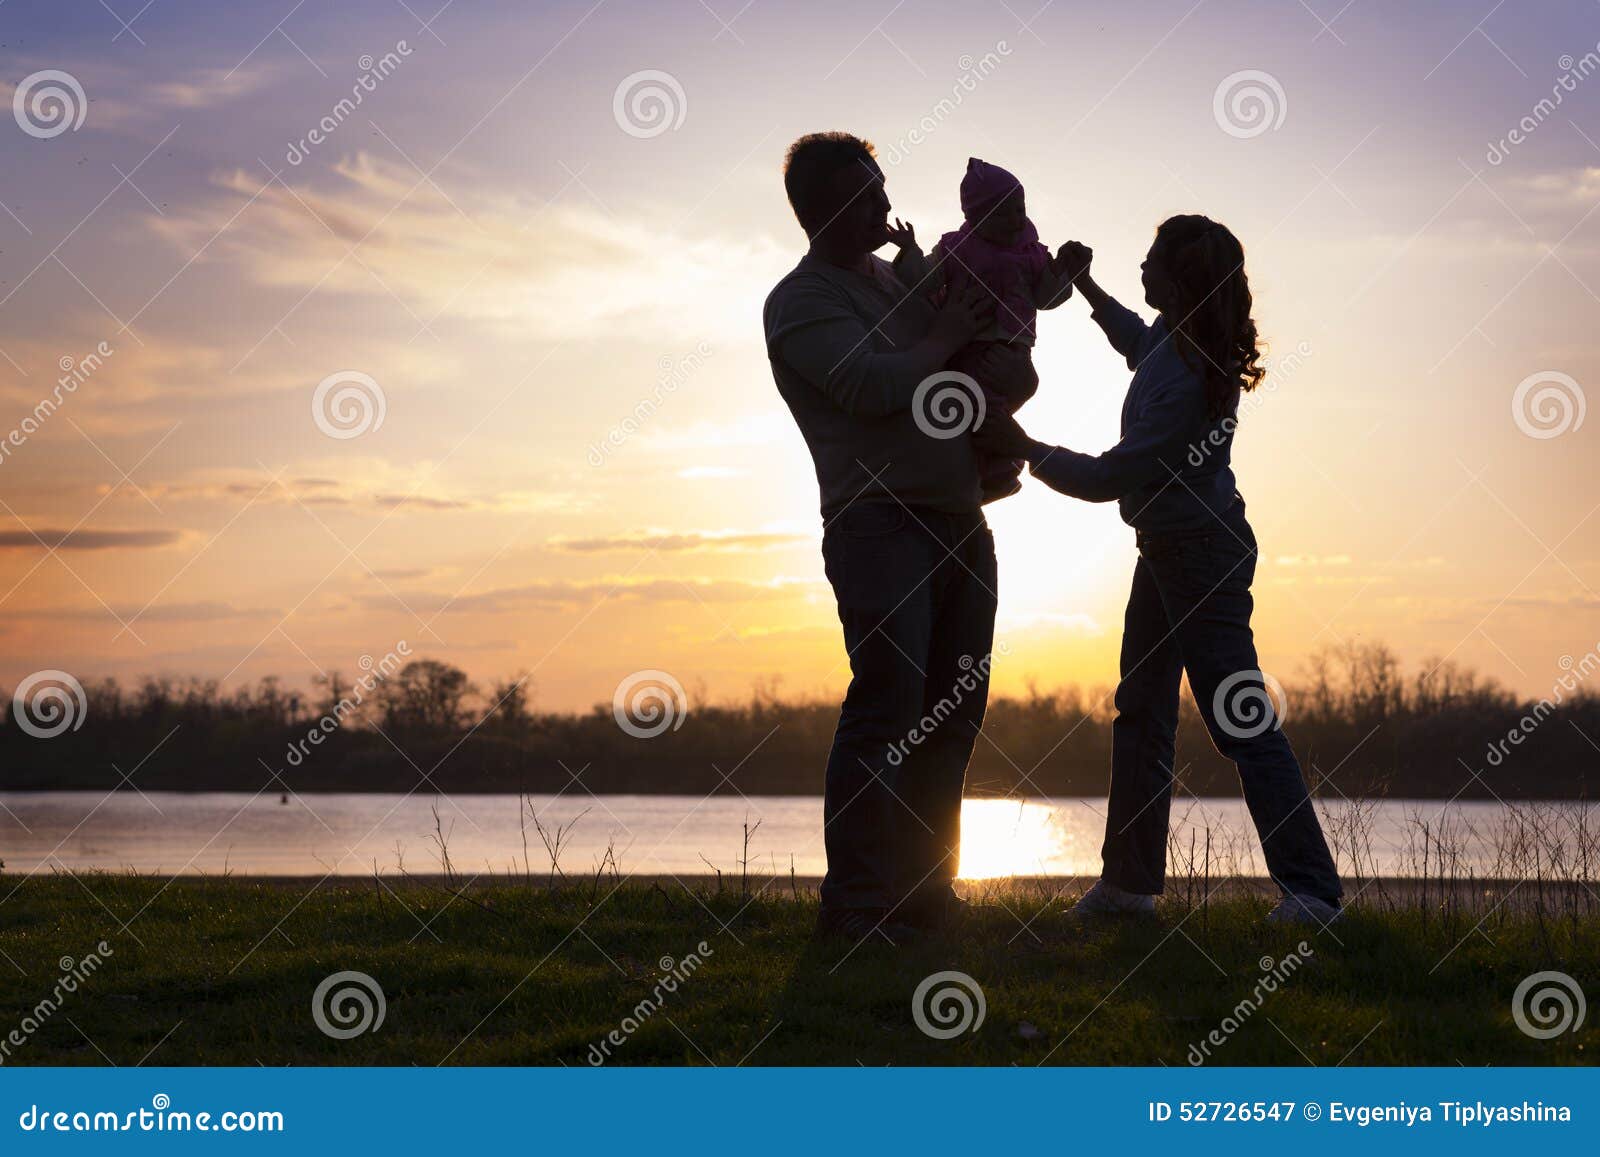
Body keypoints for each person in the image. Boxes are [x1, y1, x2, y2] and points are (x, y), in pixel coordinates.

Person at [976, 214, 1344, 924]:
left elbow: (1109, 476)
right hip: (1167, 550)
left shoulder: (1189, 380)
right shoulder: (1172, 343)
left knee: (1240, 719)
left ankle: (1313, 893)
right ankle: (1128, 886)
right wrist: (1085, 287)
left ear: (1178, 283)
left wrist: (1021, 444)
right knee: (1141, 712)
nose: (1140, 269)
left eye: (1150, 262)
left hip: (1202, 557)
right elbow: (1131, 340)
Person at [762, 132, 1034, 944]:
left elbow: (963, 367)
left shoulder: (898, 278)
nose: (885, 206)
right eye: (867, 195)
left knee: (954, 713)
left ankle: (924, 899)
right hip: (878, 524)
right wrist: (947, 332)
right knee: (887, 708)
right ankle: (853, 908)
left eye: (882, 188)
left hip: (960, 521)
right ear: (823, 210)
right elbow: (871, 384)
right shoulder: (801, 300)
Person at [887, 157, 1072, 501]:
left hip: (1016, 348)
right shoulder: (957, 249)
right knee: (976, 406)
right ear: (977, 217)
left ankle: (997, 467)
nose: (1016, 220)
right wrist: (909, 251)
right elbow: (923, 282)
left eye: (1020, 209)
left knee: (993, 407)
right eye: (1004, 213)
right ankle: (991, 471)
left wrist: (1063, 272)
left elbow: (1048, 297)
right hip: (971, 347)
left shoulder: (1030, 252)